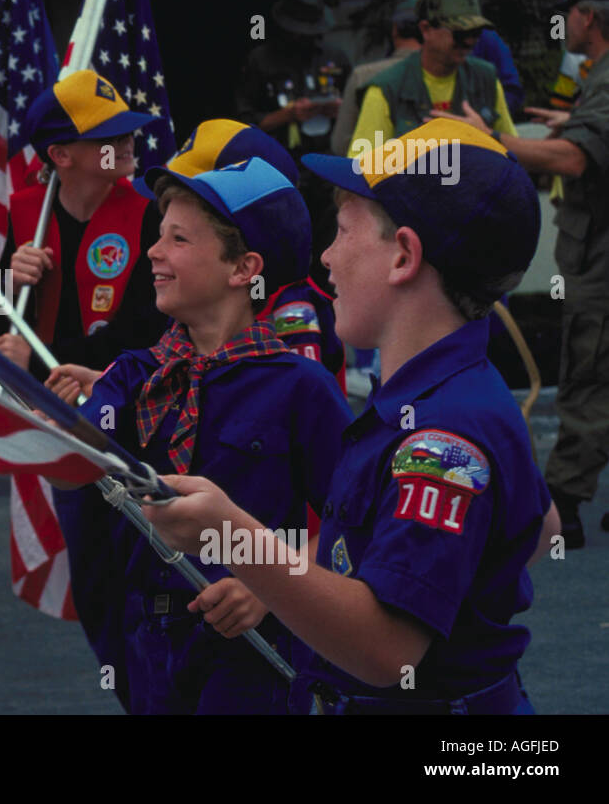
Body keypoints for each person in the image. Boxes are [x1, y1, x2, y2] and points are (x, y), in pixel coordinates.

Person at [143, 120, 560, 714]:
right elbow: (540, 526)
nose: (327, 256)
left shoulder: (442, 437)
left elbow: (386, 652)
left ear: (404, 256)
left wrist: (235, 537)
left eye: (341, 231)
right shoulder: (454, 396)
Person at [51, 158, 353, 714]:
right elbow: (71, 466)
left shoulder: (296, 387)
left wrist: (272, 584)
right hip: (149, 644)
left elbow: (355, 522)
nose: (153, 251)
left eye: (179, 238)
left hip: (250, 652)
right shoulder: (132, 377)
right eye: (159, 234)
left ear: (243, 269)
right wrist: (40, 432)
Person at [433, 0, 609, 548]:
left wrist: (492, 139)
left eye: (571, 14)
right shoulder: (597, 78)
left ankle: (564, 503)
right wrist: (572, 121)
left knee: (588, 374)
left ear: (588, 16)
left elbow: (574, 161)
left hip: (601, 258)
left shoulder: (605, 76)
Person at [51, 118, 345, 400]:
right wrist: (115, 398)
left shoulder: (283, 310)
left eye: (194, 191)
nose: (125, 144)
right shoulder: (194, 313)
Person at [0, 70, 168, 380]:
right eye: (109, 136)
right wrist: (8, 287)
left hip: (113, 396)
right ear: (61, 155)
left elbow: (144, 333)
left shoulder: (151, 217)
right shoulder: (25, 214)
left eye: (127, 131)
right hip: (34, 399)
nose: (127, 142)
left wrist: (43, 361)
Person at [236, 0, 350, 290]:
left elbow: (359, 112)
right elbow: (245, 123)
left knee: (331, 244)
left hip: (328, 167)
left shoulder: (335, 58)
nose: (306, 39)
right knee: (284, 251)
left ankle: (330, 308)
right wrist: (287, 115)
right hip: (281, 170)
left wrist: (340, 109)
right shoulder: (261, 59)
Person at [346, 0, 516, 156]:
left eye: (476, 33)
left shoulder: (485, 79)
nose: (469, 42)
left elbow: (513, 155)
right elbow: (361, 169)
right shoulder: (387, 90)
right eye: (461, 34)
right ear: (426, 29)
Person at [329, 0, 423, 156]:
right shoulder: (452, 75)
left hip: (379, 176)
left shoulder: (364, 76)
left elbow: (341, 144)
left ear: (394, 30)